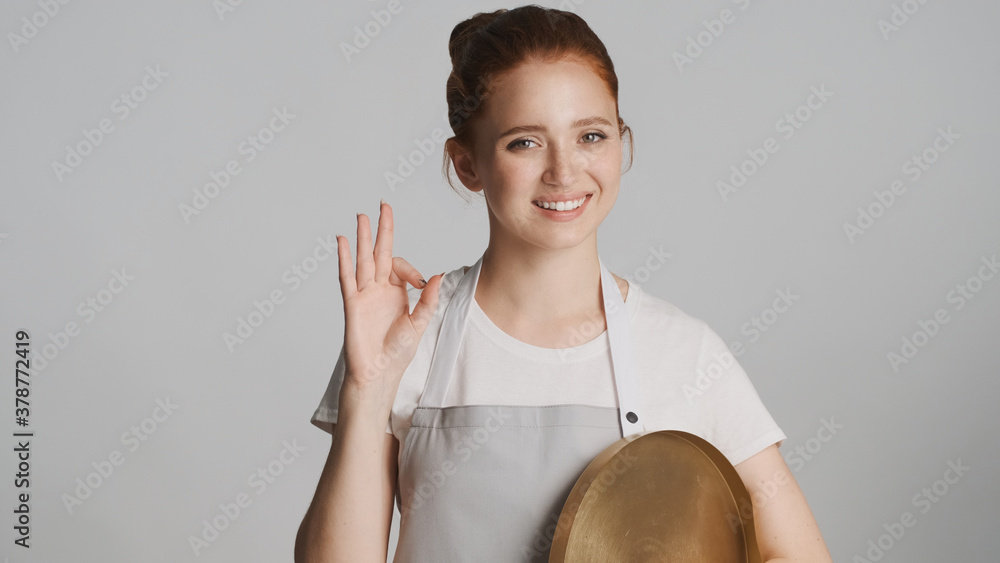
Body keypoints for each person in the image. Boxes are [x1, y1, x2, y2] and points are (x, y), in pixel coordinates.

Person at [295, 5, 832, 562]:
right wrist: (369, 390)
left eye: (591, 136)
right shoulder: (409, 341)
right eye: (524, 142)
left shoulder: (684, 354)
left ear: (621, 143)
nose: (564, 171)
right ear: (467, 165)